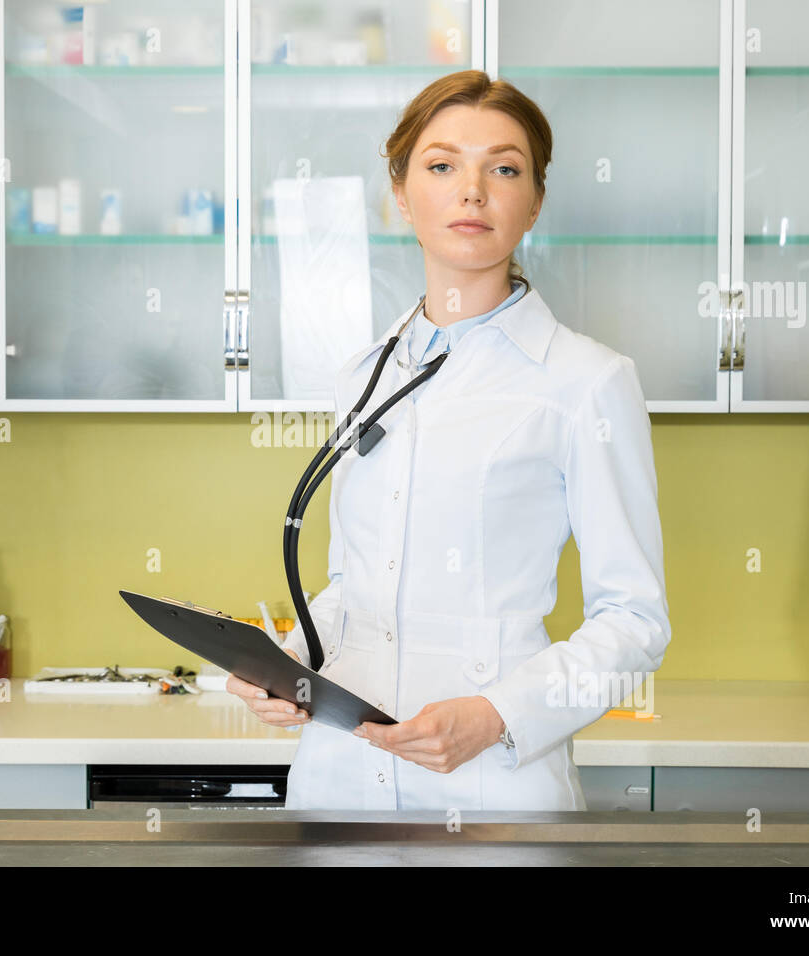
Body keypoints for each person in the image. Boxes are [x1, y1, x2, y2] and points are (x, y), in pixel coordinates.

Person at [227, 70, 671, 811]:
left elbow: (635, 623)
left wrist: (499, 717)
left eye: (504, 168)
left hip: (496, 790)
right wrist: (289, 662)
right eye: (442, 166)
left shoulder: (588, 382)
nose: (473, 191)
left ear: (534, 203)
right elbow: (355, 590)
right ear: (401, 194)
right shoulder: (363, 375)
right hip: (341, 780)